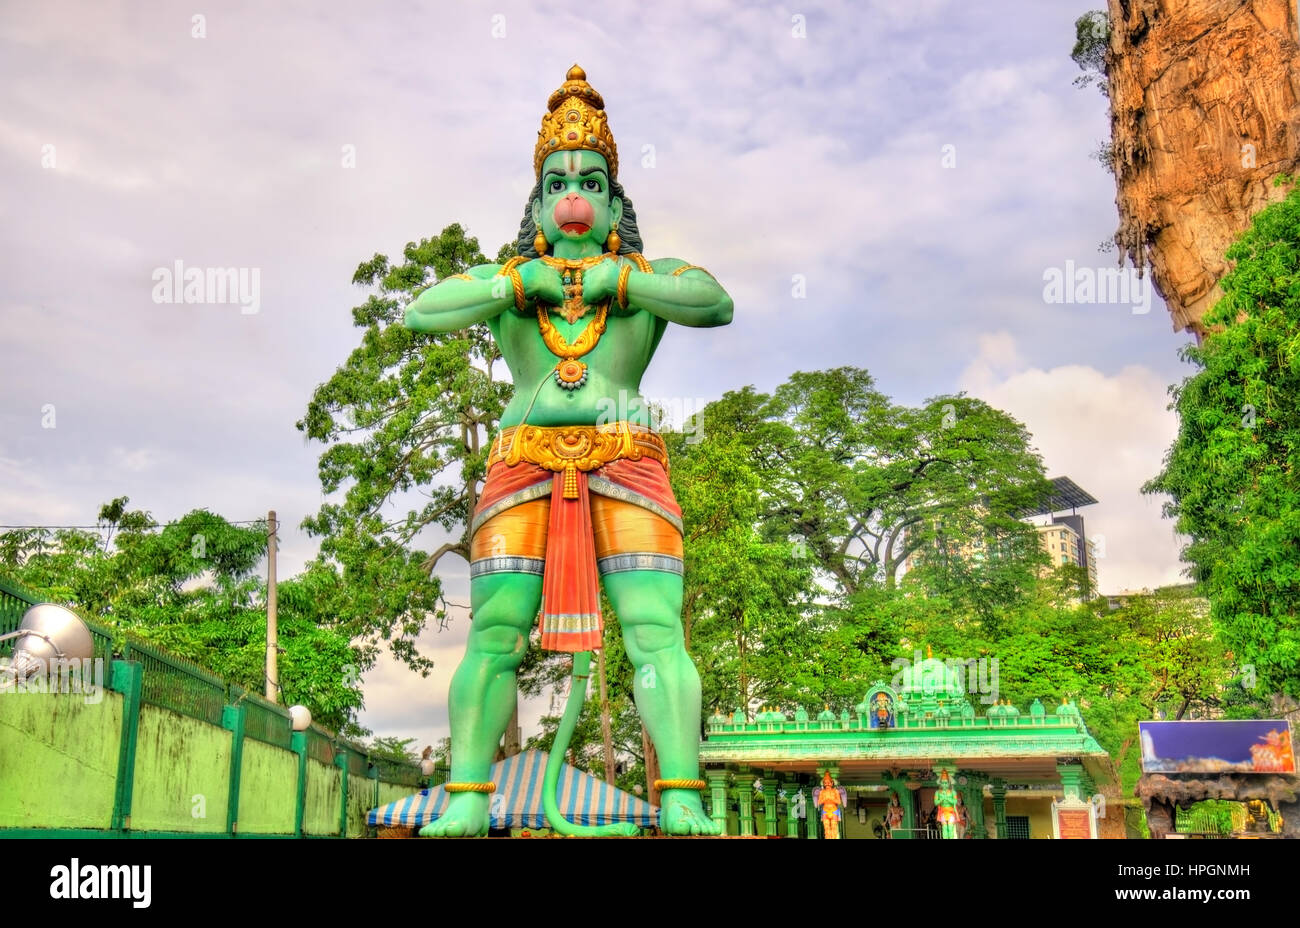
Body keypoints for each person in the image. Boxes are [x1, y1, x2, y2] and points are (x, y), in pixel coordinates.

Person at [405, 65, 733, 837]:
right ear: (539, 205)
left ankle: (680, 791)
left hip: (627, 458)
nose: (574, 198)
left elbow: (714, 302)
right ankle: (466, 799)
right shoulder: (511, 280)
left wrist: (622, 280)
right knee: (494, 631)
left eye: (591, 182)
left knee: (655, 627)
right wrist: (519, 289)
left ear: (617, 203)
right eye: (557, 185)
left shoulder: (648, 278)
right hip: (523, 459)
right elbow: (423, 311)